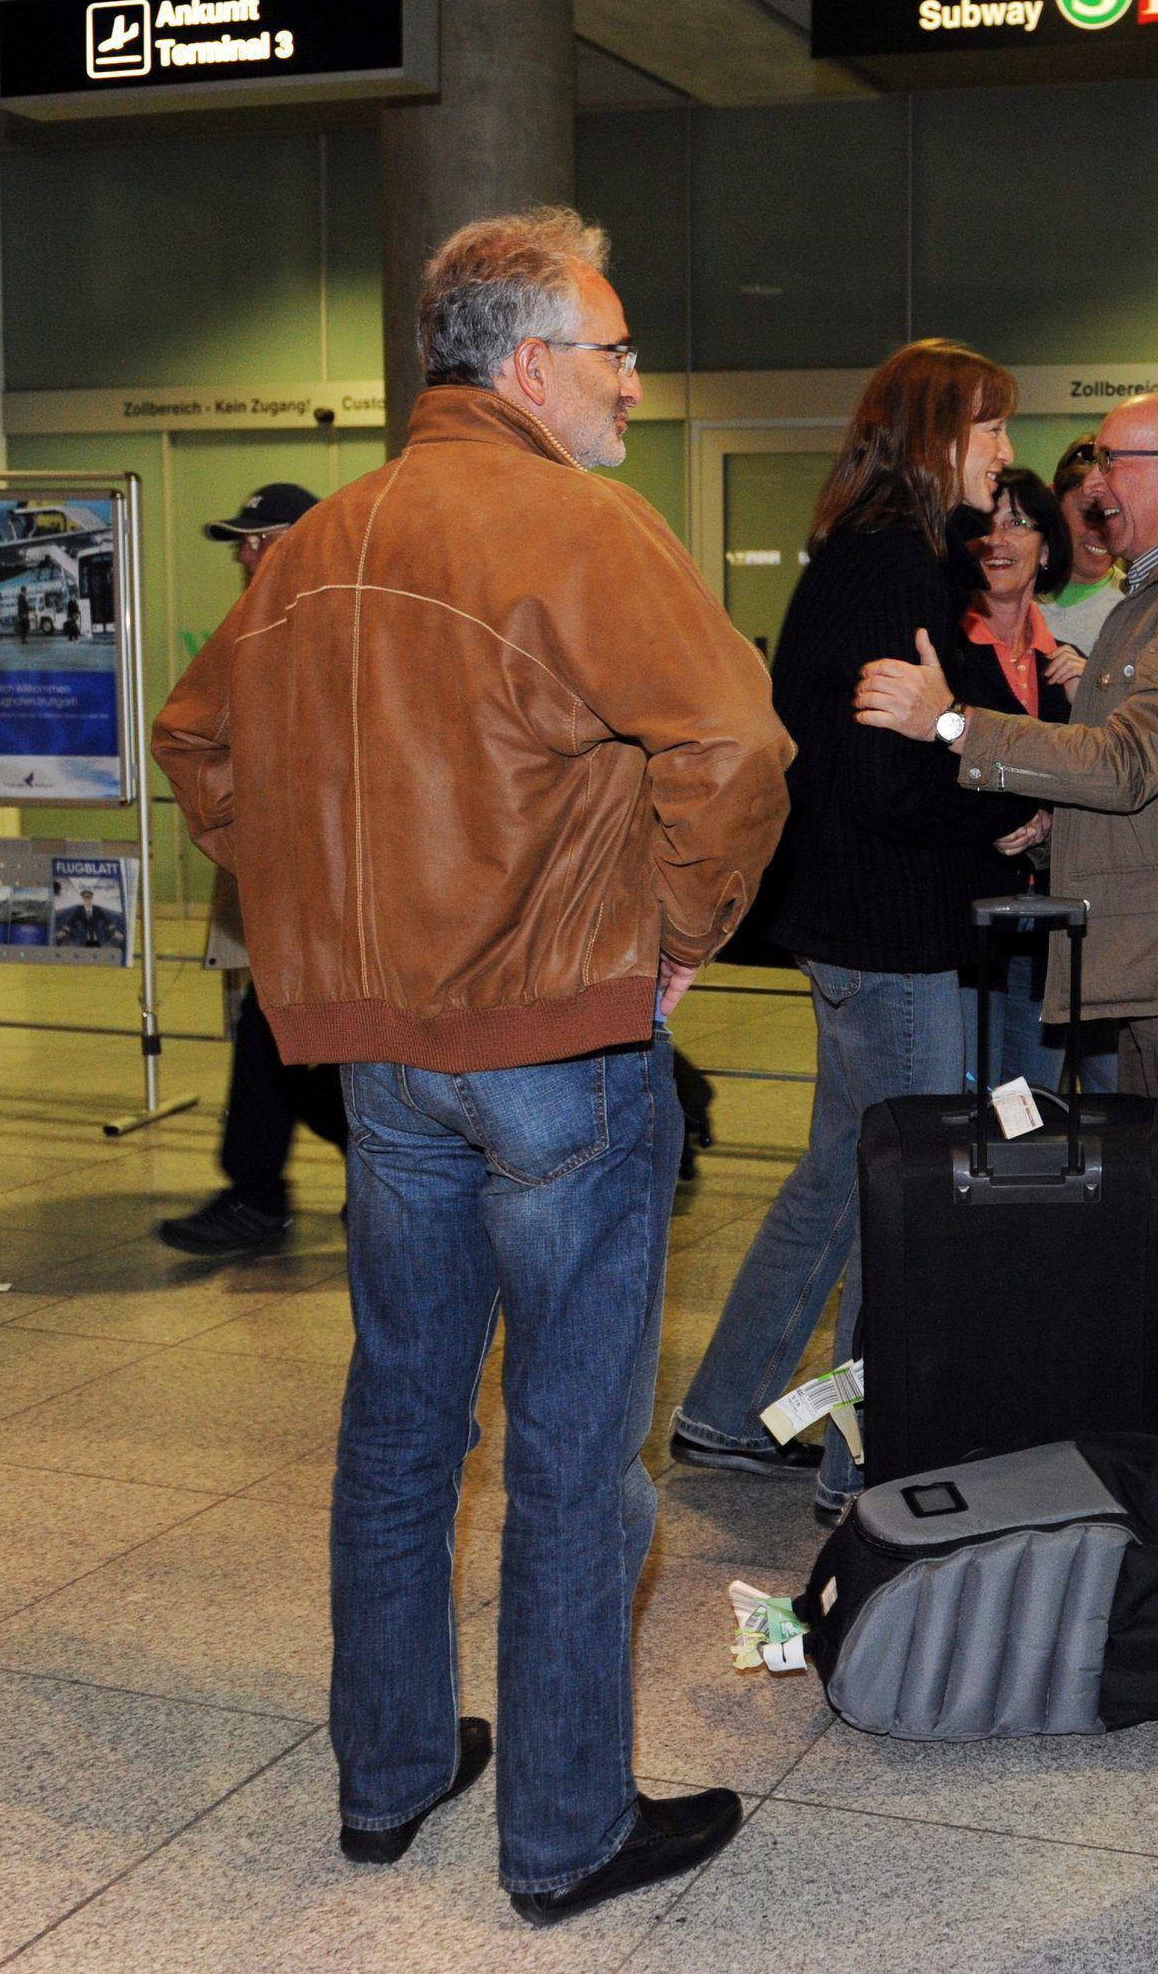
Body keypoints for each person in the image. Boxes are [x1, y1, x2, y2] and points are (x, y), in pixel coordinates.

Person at [152, 206, 790, 1924]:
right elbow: (733, 743)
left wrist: (304, 921)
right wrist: (674, 937)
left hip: (381, 1068)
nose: (635, 385)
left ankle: (392, 1769)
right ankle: (567, 1830)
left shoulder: (321, 540)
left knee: (402, 1423)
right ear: (526, 361)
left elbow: (197, 740)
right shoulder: (579, 528)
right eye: (617, 349)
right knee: (574, 1452)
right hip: (558, 1047)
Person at [855, 388, 1158, 1433]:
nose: (1091, 480)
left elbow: (1126, 761)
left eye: (1113, 459)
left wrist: (951, 724)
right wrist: (1050, 833)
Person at [668, 340, 1045, 1499]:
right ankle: (859, 1465)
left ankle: (728, 1410)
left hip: (850, 925)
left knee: (840, 1178)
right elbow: (885, 782)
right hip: (891, 933)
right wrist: (993, 805)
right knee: (902, 1203)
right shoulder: (902, 572)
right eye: (990, 430)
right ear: (937, 434)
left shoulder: (863, 557)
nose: (1007, 454)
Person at [160, 481, 351, 1258]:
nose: (243, 552)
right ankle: (266, 1190)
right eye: (241, 539)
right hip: (283, 874)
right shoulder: (265, 624)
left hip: (329, 879)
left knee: (293, 1038)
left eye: (259, 537)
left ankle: (276, 1191)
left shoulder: (333, 623)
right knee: (280, 1033)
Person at [964, 463, 1116, 1097]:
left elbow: (1108, 774)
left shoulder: (1066, 665)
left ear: (1048, 547)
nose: (999, 540)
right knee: (965, 1110)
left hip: (1047, 932)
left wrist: (1052, 817)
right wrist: (995, 822)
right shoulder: (945, 649)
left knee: (1031, 1111)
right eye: (985, 526)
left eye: (1019, 525)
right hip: (964, 930)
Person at [1043, 437, 1124, 654]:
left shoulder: (1135, 610)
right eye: (1091, 513)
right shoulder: (1011, 592)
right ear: (1053, 501)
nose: (1103, 531)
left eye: (1115, 514)